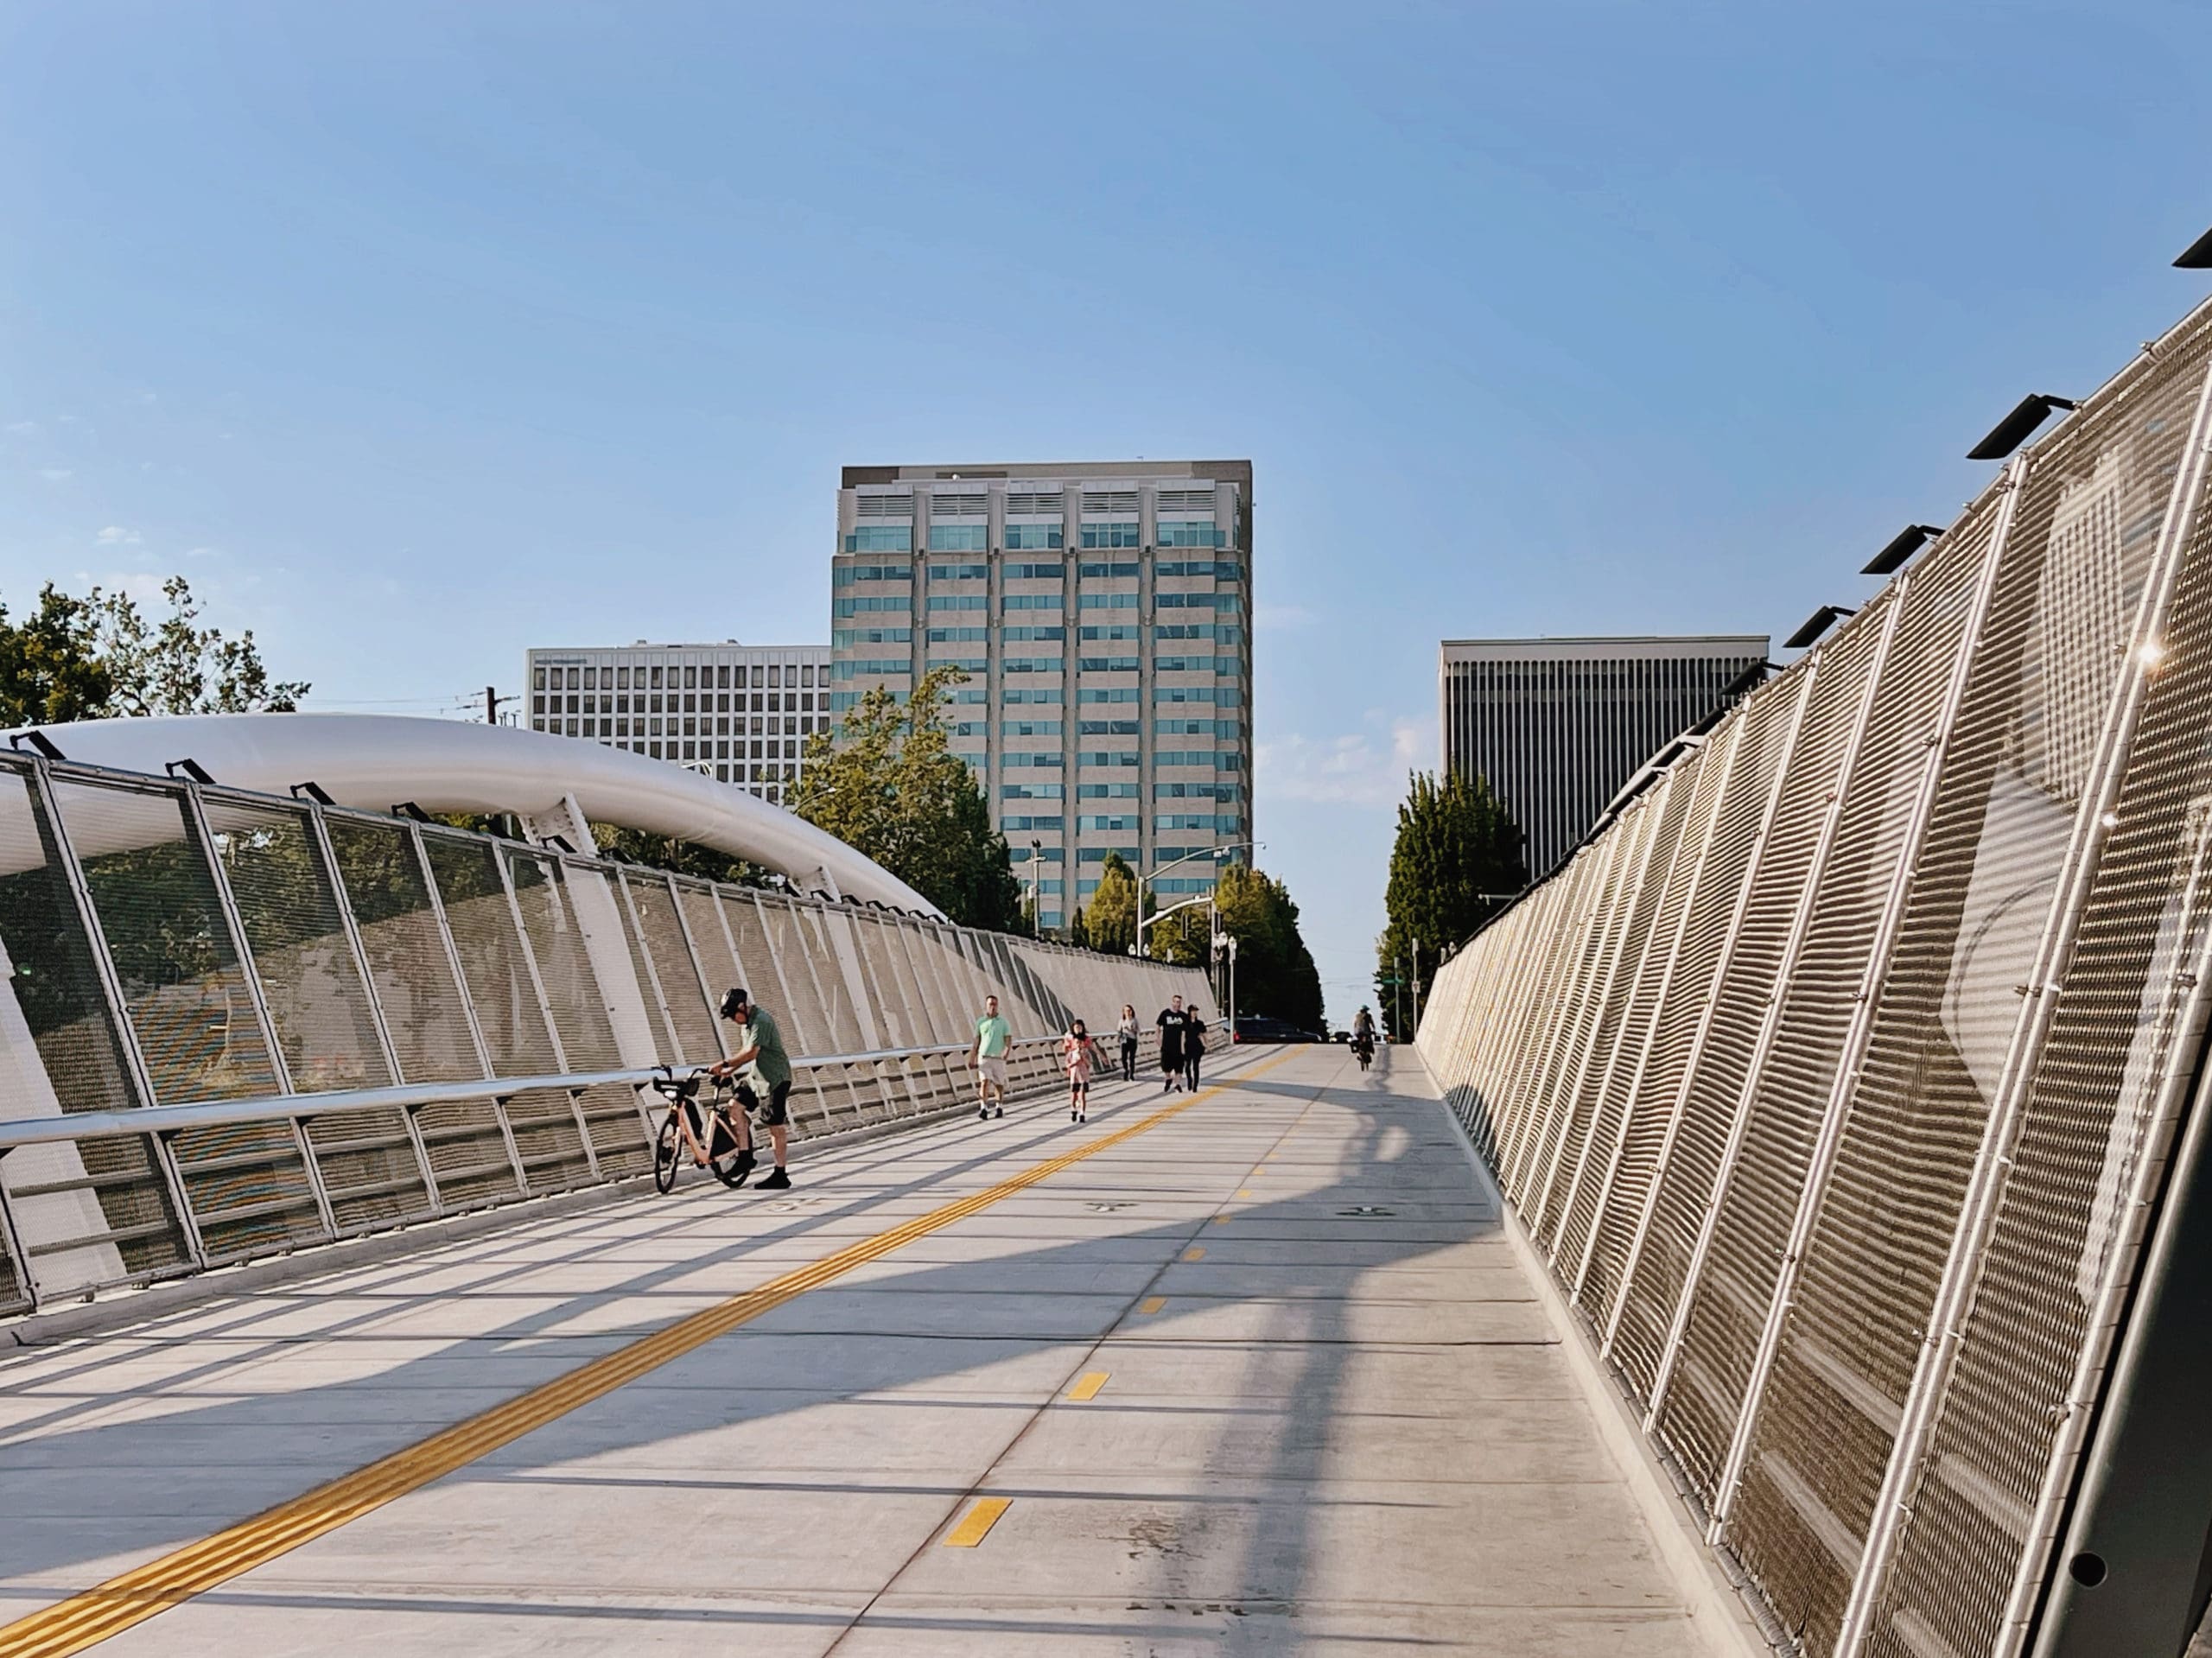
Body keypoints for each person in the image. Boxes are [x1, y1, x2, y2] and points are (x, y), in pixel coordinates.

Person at [709, 988, 794, 1190]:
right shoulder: (746, 1023)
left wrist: (725, 1063)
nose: (732, 1020)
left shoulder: (761, 1021)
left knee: (775, 1127)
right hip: (756, 1078)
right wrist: (730, 1070)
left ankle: (780, 1174)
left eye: (732, 1015)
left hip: (775, 1079)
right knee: (734, 1107)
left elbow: (752, 1052)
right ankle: (745, 1156)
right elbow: (746, 1052)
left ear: (742, 1007)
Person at [972, 993, 1012, 1120]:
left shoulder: (1003, 1022)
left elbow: (1008, 1039)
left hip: (998, 1057)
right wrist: (972, 1057)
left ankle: (998, 1106)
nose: (992, 1007)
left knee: (999, 1085)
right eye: (990, 1004)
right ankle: (983, 1107)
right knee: (984, 1082)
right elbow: (977, 1041)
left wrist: (1006, 1051)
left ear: (997, 1005)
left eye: (994, 1004)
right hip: (984, 1057)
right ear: (986, 1005)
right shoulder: (981, 1022)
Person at [1061, 1017, 1105, 1123]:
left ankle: (1082, 1113)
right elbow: (1065, 1053)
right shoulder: (1071, 1041)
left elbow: (1092, 1050)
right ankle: (1073, 1108)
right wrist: (1066, 1044)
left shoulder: (1086, 1040)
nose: (1078, 1029)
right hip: (1074, 1072)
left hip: (1083, 1072)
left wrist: (1102, 1056)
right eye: (1076, 1027)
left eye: (1080, 1027)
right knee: (1074, 1093)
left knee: (1082, 1093)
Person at [1156, 994, 1192, 1094]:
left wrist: (1185, 1046)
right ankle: (1168, 1079)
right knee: (1165, 1066)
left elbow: (1186, 1032)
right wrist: (1158, 1038)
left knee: (1179, 1067)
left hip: (1178, 1046)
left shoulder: (1183, 1016)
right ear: (1172, 1002)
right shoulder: (1165, 1014)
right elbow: (1158, 1025)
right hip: (1167, 1045)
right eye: (1175, 1002)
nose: (1177, 1004)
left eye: (1179, 1002)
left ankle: (1177, 1085)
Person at [1185, 1005, 1210, 1091]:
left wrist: (1206, 1044)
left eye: (1196, 1011)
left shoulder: (1200, 1023)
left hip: (1197, 1046)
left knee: (1196, 1066)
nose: (1194, 1013)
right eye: (1193, 1011)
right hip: (1187, 1046)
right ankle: (1189, 1079)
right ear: (1189, 1012)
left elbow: (1204, 1034)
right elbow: (1182, 1035)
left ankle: (1195, 1085)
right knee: (1187, 1066)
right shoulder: (1185, 1023)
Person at [1116, 1004, 1141, 1083]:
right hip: (1124, 1040)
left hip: (1132, 1039)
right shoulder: (1122, 1021)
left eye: (1129, 1010)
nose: (1128, 1012)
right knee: (1124, 1058)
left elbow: (1138, 1031)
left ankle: (1132, 1074)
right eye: (1126, 1011)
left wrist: (1132, 1029)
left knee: (1132, 1058)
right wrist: (1118, 1037)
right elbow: (1119, 1030)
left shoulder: (1134, 1020)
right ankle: (1126, 1070)